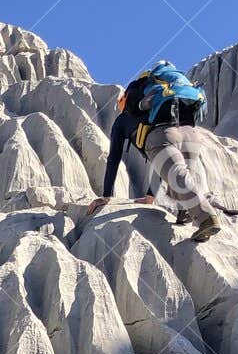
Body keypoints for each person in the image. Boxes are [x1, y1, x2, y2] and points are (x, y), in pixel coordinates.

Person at [87, 62, 222, 242]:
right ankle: (184, 212)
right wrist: (151, 196)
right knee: (180, 177)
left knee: (177, 174)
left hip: (163, 136)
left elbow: (113, 159)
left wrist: (106, 196)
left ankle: (206, 218)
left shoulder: (123, 120)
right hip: (192, 136)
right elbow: (159, 168)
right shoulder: (171, 97)